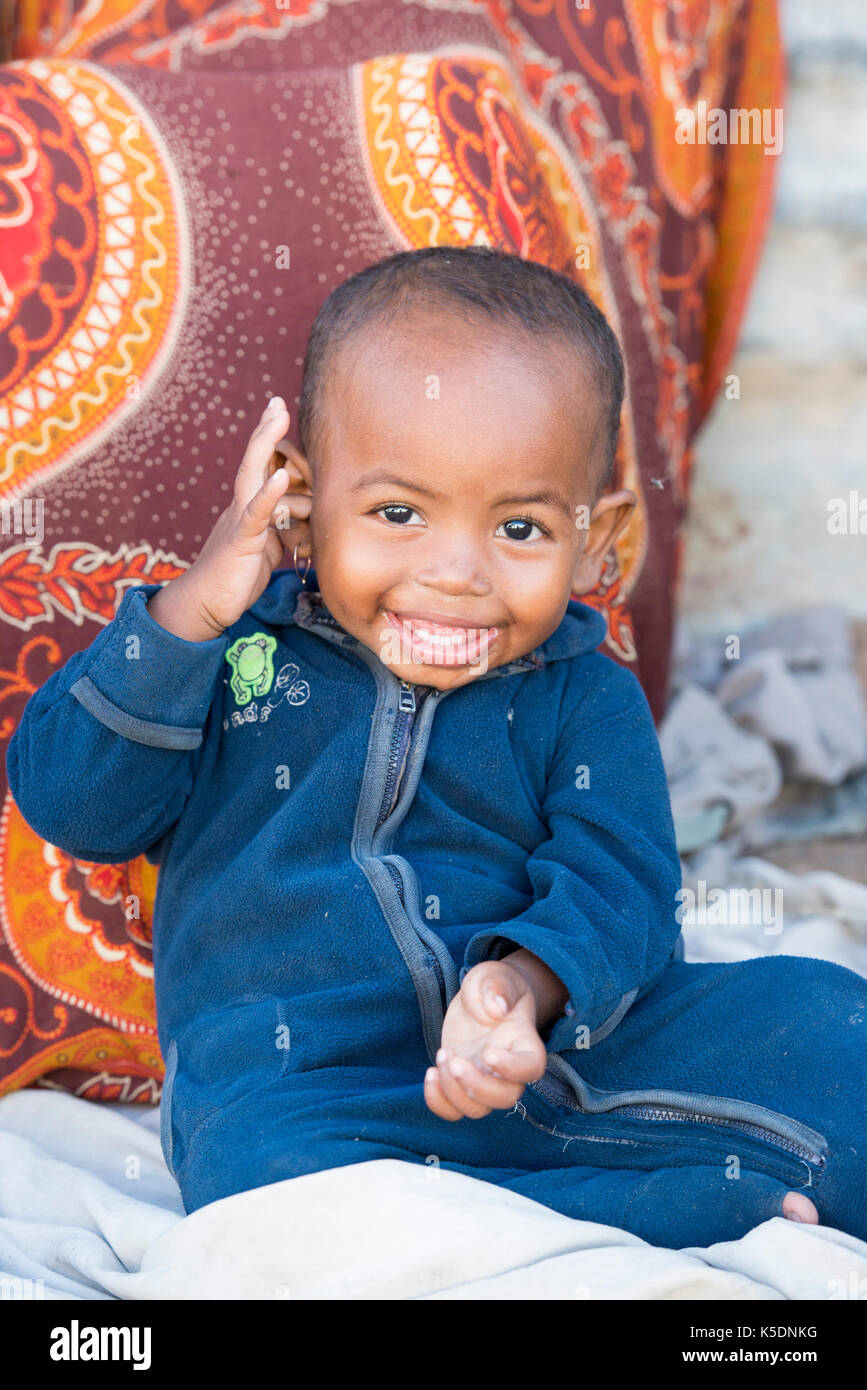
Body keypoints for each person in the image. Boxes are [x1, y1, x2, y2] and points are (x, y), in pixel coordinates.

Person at [8, 249, 864, 1249]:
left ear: (597, 541)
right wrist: (196, 606)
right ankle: (644, 1212)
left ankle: (633, 1192)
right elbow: (76, 804)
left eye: (519, 526)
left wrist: (521, 990)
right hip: (311, 1099)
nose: (456, 572)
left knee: (825, 1020)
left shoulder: (583, 695)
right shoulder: (231, 661)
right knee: (271, 1194)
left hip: (564, 1053)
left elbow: (623, 887)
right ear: (297, 494)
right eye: (398, 513)